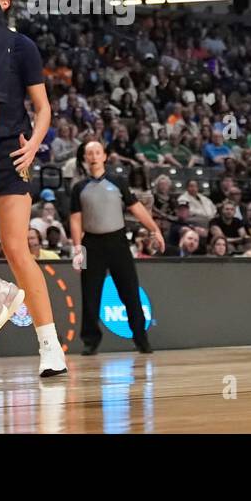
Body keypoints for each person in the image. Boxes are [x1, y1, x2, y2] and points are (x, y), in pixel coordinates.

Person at [0, 0, 64, 378]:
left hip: (10, 151)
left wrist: (35, 144)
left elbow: (42, 108)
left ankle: (50, 345)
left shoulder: (20, 46)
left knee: (15, 247)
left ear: (6, 3)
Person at [65, 141, 165, 355]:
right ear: (84, 158)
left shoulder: (118, 181)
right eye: (89, 153)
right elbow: (75, 220)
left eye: (97, 152)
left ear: (104, 156)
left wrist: (154, 229)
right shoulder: (79, 188)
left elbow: (136, 207)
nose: (93, 156)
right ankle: (90, 341)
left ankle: (141, 338)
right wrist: (77, 251)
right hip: (91, 244)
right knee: (90, 295)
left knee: (130, 292)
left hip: (118, 243)